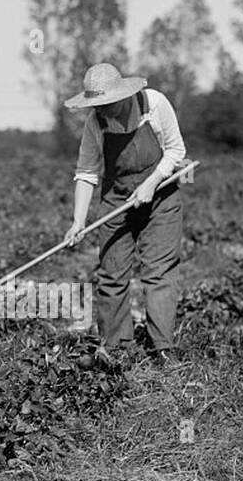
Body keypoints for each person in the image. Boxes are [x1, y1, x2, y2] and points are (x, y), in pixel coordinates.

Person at [63, 63, 187, 362]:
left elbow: (176, 150)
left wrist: (151, 183)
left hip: (160, 198)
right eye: (97, 105)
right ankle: (117, 347)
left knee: (158, 272)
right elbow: (87, 171)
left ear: (123, 95)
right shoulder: (96, 123)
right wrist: (78, 221)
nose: (102, 110)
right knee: (111, 273)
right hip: (117, 198)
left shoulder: (154, 104)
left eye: (106, 104)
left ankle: (163, 348)